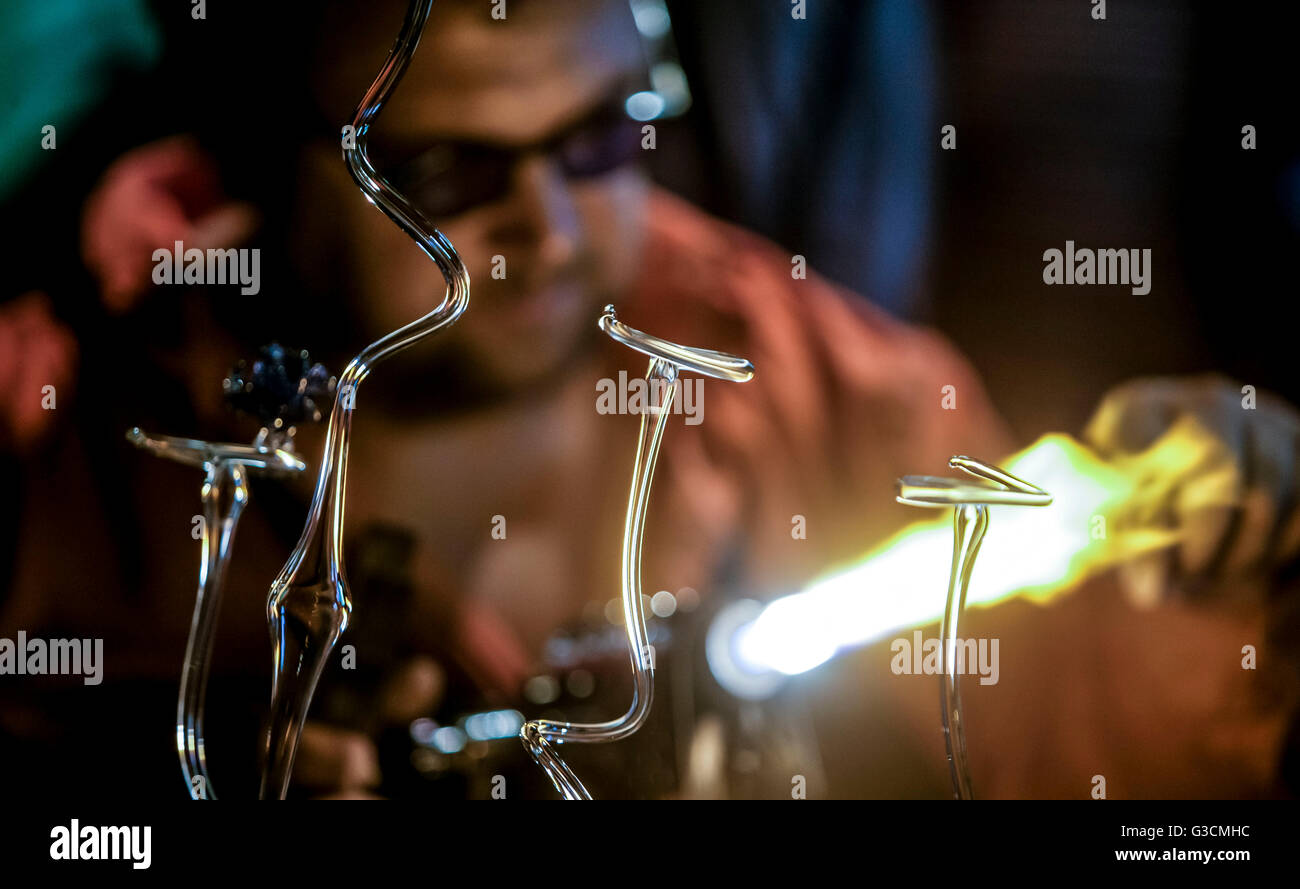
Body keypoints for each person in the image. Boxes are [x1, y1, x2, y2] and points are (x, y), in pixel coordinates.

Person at [5, 0, 1297, 798]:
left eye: (603, 136)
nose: (551, 228)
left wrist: (1224, 583)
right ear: (253, 151)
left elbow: (1085, 731)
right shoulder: (61, 420)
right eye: (447, 170)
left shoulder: (778, 362)